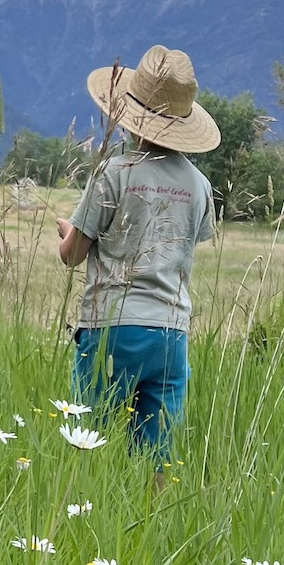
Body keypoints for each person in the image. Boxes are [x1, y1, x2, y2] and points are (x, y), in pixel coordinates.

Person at [55, 44, 220, 477]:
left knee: (87, 445)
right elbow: (185, 243)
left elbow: (73, 255)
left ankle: (85, 517)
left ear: (128, 114)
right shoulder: (200, 185)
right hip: (171, 332)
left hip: (111, 327)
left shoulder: (113, 172)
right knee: (156, 458)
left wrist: (66, 233)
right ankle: (151, 523)